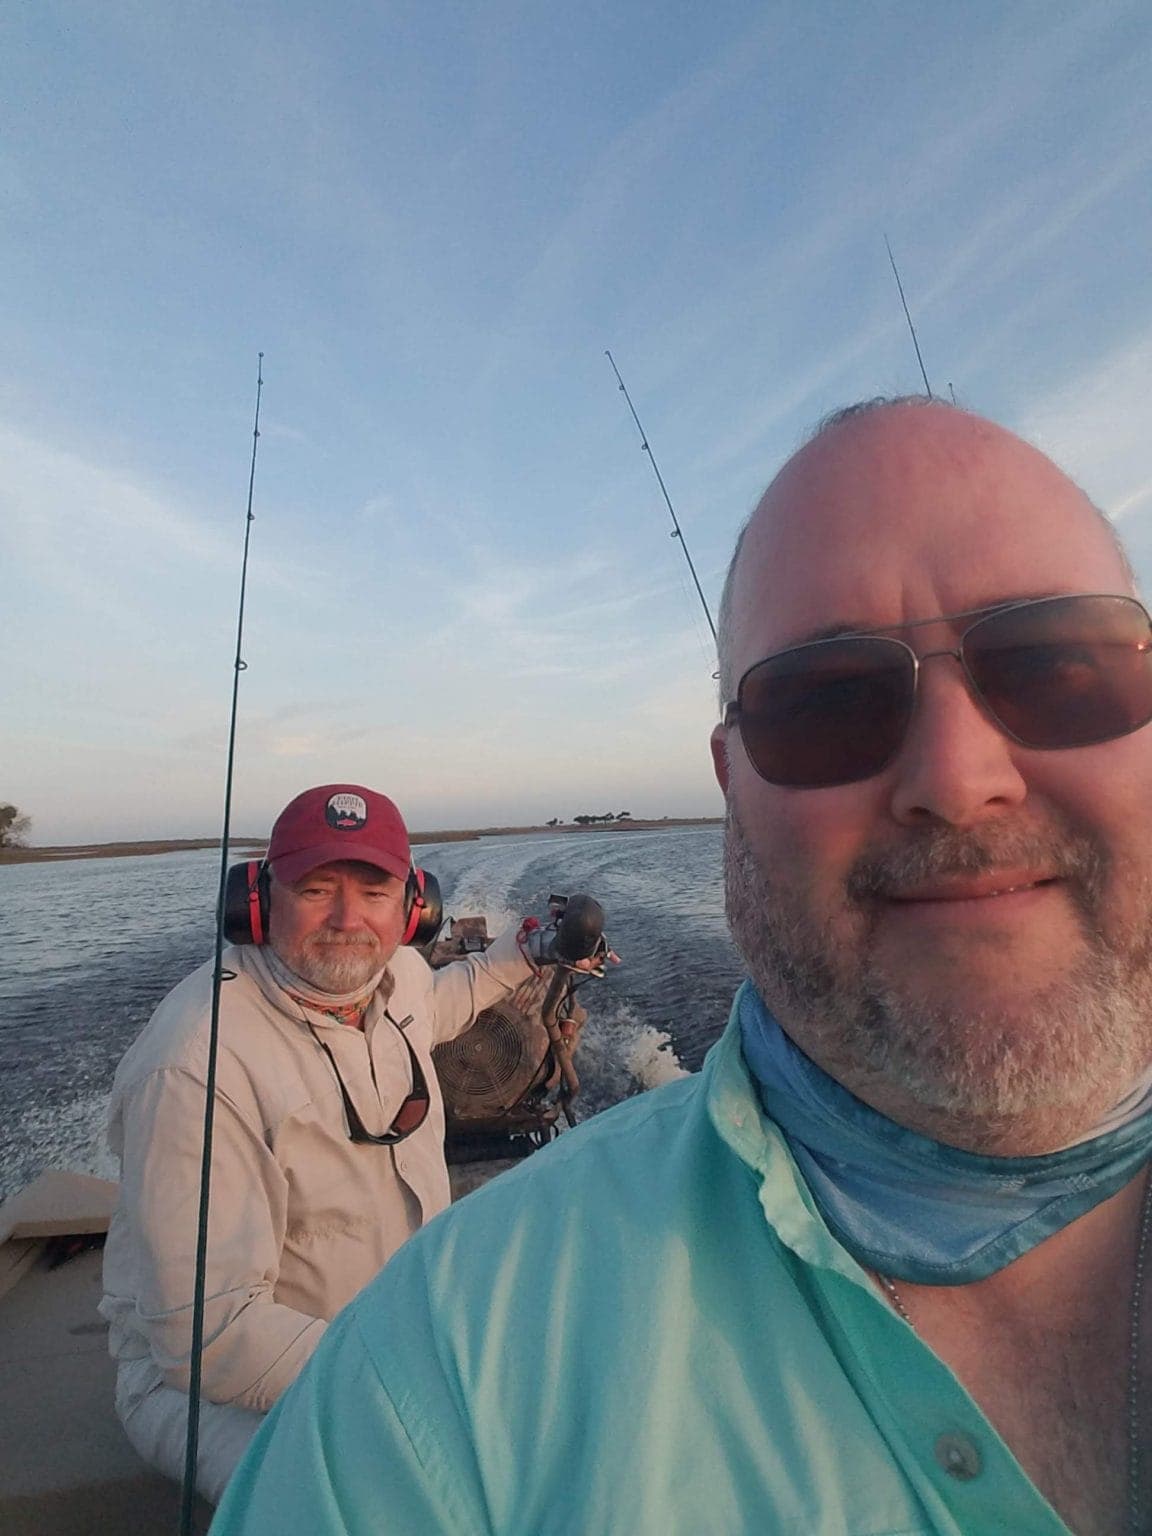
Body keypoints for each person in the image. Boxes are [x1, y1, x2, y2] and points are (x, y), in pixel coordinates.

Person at [212, 401, 1152, 1536]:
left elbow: (446, 999)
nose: (957, 777)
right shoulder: (438, 1376)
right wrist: (367, 1365)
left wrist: (522, 953)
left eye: (1056, 666)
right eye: (826, 702)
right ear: (730, 781)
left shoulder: (404, 993)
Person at [100, 782, 540, 1503]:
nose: (346, 919)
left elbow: (440, 1005)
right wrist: (407, 1386)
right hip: (207, 1385)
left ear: (413, 910)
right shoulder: (197, 1062)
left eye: (374, 891)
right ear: (256, 903)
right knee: (390, 1501)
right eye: (315, 889)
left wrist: (523, 956)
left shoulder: (394, 975)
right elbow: (205, 1337)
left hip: (376, 1327)